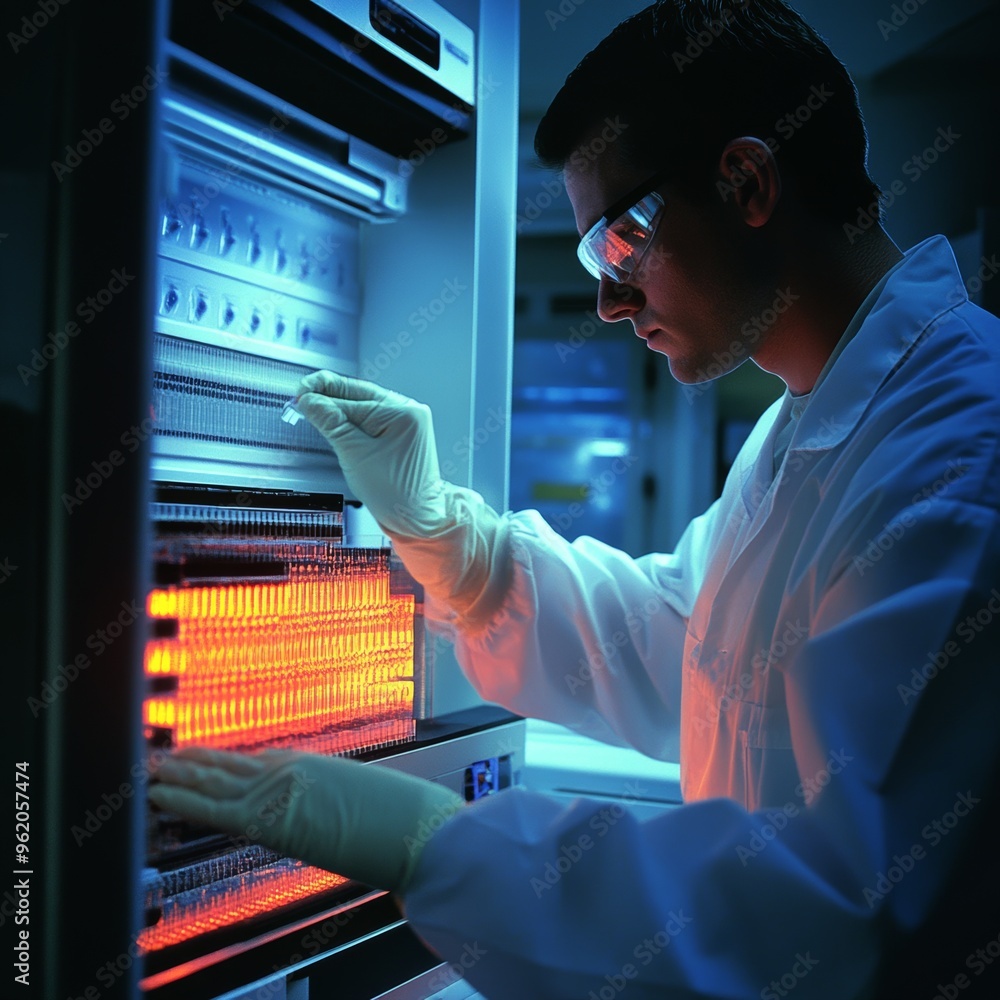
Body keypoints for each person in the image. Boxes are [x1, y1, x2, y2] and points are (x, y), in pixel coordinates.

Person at [149, 2, 1000, 997]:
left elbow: (841, 911)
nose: (607, 299)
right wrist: (457, 544)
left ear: (747, 183)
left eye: (619, 240)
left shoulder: (960, 451)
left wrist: (439, 843)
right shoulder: (808, 424)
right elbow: (690, 646)